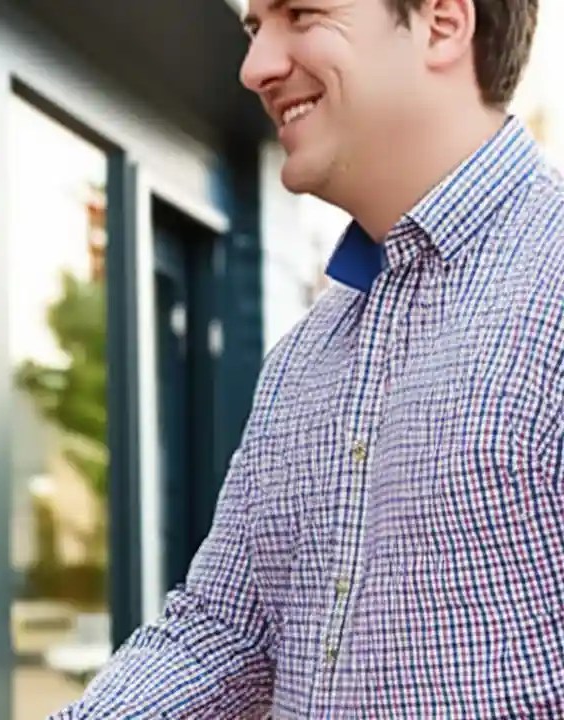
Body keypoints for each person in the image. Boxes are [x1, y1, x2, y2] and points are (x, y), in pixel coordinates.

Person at [51, 0, 560, 717]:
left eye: (303, 14)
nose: (255, 68)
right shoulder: (305, 355)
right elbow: (221, 634)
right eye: (256, 29)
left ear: (444, 21)